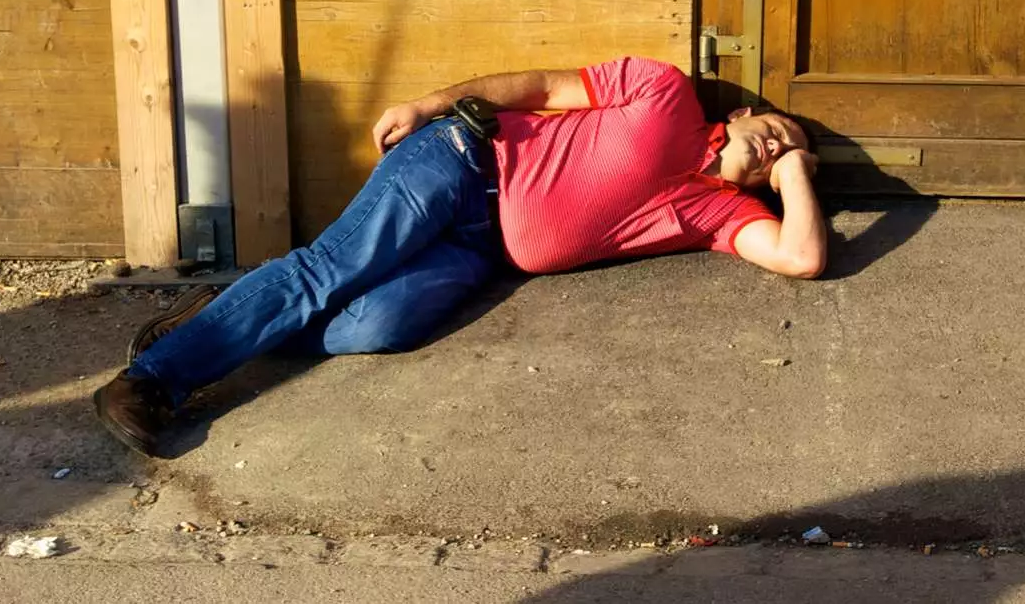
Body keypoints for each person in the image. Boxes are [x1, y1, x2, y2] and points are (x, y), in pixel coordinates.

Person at [93, 56, 825, 456]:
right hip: (461, 161)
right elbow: (540, 84)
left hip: (484, 251)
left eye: (784, 153)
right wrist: (433, 104)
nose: (775, 144)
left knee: (378, 326)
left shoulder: (718, 214)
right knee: (327, 272)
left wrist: (792, 174)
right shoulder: (664, 92)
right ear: (739, 113)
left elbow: (800, 258)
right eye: (775, 128)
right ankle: (151, 380)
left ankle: (225, 312)